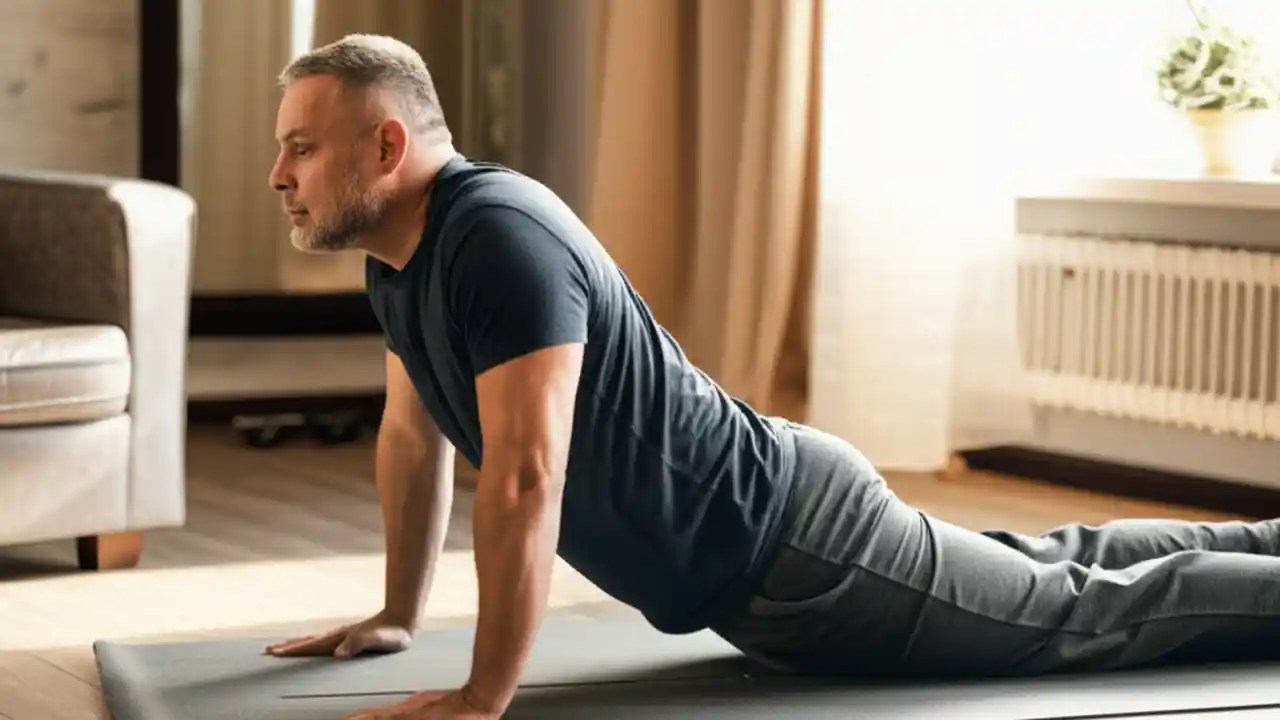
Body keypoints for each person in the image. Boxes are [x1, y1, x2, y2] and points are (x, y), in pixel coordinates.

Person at [261, 34, 1280, 720]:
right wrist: (398, 614)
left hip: (801, 555)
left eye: (301, 150)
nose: (279, 178)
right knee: (1064, 563)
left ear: (386, 145)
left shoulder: (496, 238)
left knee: (1075, 620)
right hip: (779, 542)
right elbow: (412, 436)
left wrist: (484, 697)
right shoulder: (399, 263)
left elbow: (527, 478)